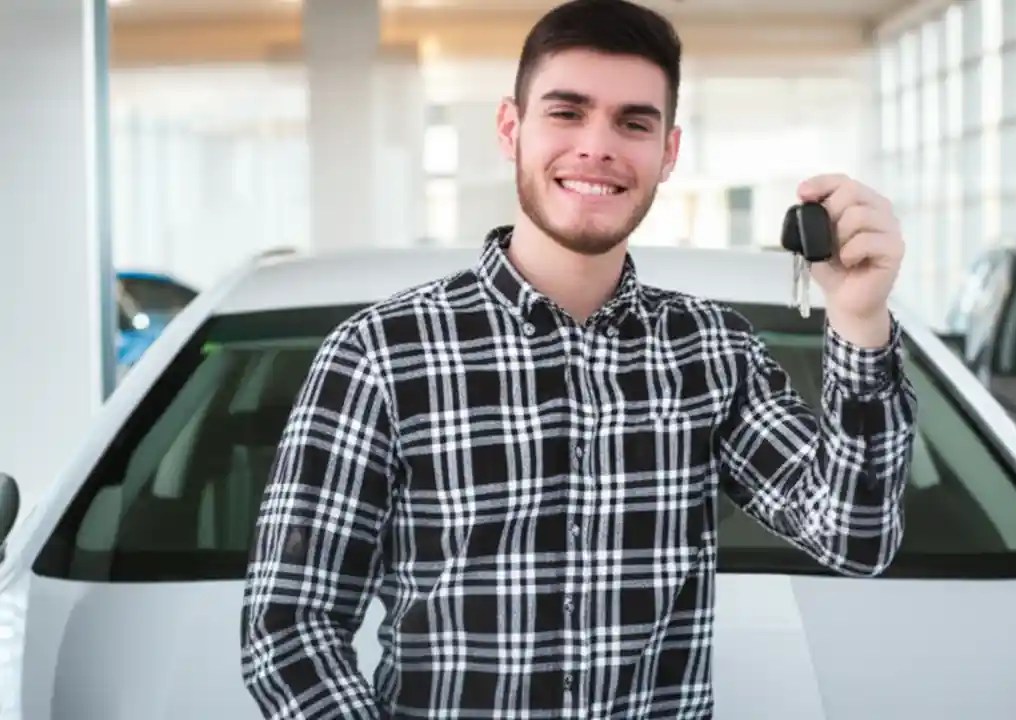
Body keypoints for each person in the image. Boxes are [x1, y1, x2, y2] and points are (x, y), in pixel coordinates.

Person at [239, 0, 918, 717]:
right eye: (567, 112)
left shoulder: (714, 352)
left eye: (633, 122)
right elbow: (291, 629)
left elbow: (854, 537)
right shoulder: (379, 354)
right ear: (511, 128)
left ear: (668, 152)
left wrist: (858, 316)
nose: (598, 146)